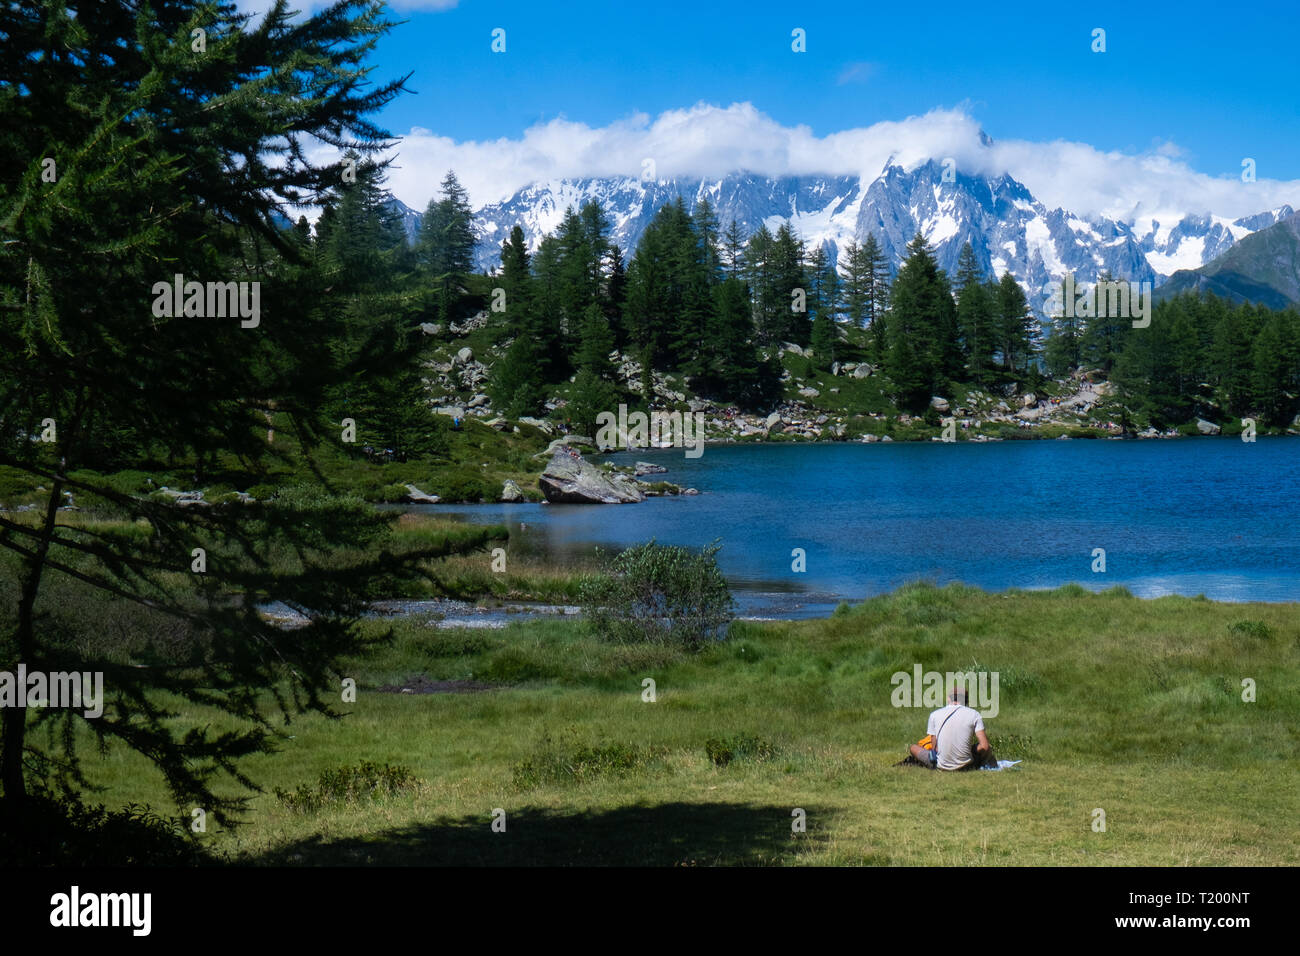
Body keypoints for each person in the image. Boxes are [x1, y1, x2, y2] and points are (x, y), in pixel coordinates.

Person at [907, 686, 994, 771]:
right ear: (966, 701)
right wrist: (972, 750)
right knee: (986, 748)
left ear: (949, 699)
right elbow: (984, 746)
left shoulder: (934, 715)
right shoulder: (974, 714)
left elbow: (935, 748)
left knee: (913, 747)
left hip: (940, 765)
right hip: (966, 766)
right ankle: (985, 765)